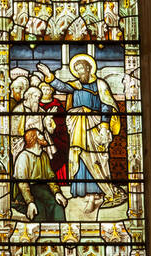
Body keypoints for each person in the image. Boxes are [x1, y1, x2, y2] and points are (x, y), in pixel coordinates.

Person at [36, 54, 123, 209]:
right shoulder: (76, 85)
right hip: (77, 127)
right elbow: (62, 87)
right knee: (80, 157)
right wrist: (49, 75)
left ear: (88, 68)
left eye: (81, 68)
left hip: (95, 128)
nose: (79, 71)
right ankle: (85, 193)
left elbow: (106, 105)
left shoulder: (100, 84)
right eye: (77, 69)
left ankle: (96, 194)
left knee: (95, 159)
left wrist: (104, 125)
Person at [11, 129, 68, 222]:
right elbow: (22, 184)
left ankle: (59, 233)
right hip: (24, 193)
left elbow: (50, 177)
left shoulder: (44, 155)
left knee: (58, 206)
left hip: (42, 190)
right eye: (40, 134)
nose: (43, 136)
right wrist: (30, 202)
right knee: (39, 209)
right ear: (34, 138)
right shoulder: (23, 156)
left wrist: (57, 193)